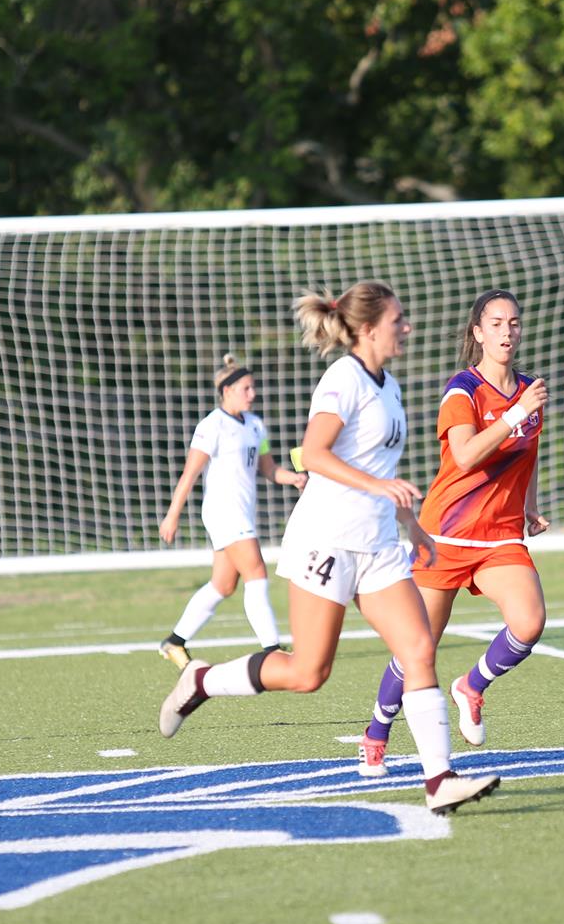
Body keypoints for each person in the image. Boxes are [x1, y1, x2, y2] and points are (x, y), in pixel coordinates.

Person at [157, 281, 501, 816]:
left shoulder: (391, 387)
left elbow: (381, 471)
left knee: (418, 650)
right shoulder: (343, 378)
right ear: (368, 329)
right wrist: (378, 489)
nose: (406, 327)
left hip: (380, 545)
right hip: (327, 540)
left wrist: (410, 524)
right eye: (398, 319)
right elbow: (314, 454)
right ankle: (200, 679)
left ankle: (440, 781)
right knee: (307, 673)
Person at [355, 289, 549, 772]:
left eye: (514, 323)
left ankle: (472, 686)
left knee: (529, 623)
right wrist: (514, 413)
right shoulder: (463, 388)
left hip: (501, 537)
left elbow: (529, 455)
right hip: (446, 535)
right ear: (479, 333)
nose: (507, 331)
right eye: (497, 323)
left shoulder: (529, 392)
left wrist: (530, 507)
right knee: (417, 646)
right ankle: (377, 730)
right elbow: (464, 455)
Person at [157, 354, 308, 668]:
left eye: (252, 388)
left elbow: (268, 469)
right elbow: (190, 474)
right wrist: (173, 515)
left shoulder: (255, 425)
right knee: (256, 572)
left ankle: (174, 641)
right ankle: (271, 650)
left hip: (241, 513)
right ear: (226, 390)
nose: (252, 394)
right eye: (246, 388)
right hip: (224, 512)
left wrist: (292, 478)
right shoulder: (211, 426)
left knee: (223, 585)